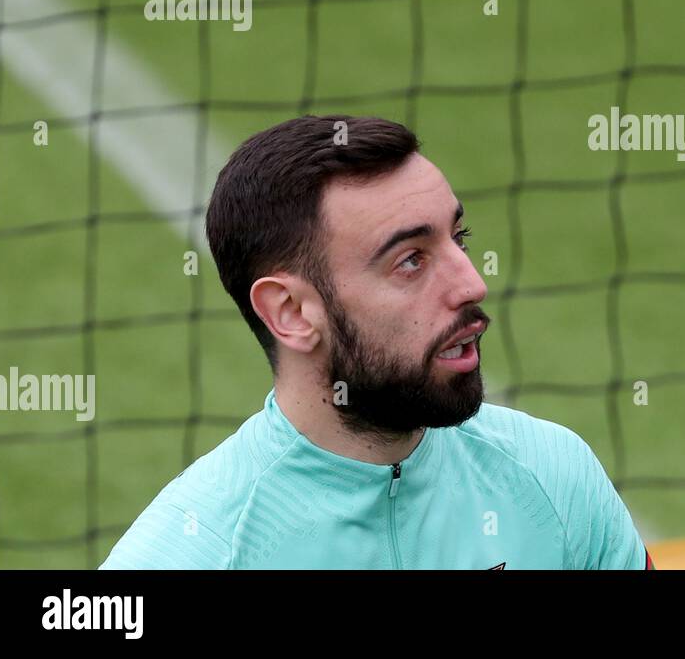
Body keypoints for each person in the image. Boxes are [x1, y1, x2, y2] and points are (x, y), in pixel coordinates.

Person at [101, 114, 653, 569]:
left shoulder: (554, 474)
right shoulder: (193, 553)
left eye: (459, 239)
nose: (472, 283)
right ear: (291, 313)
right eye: (410, 260)